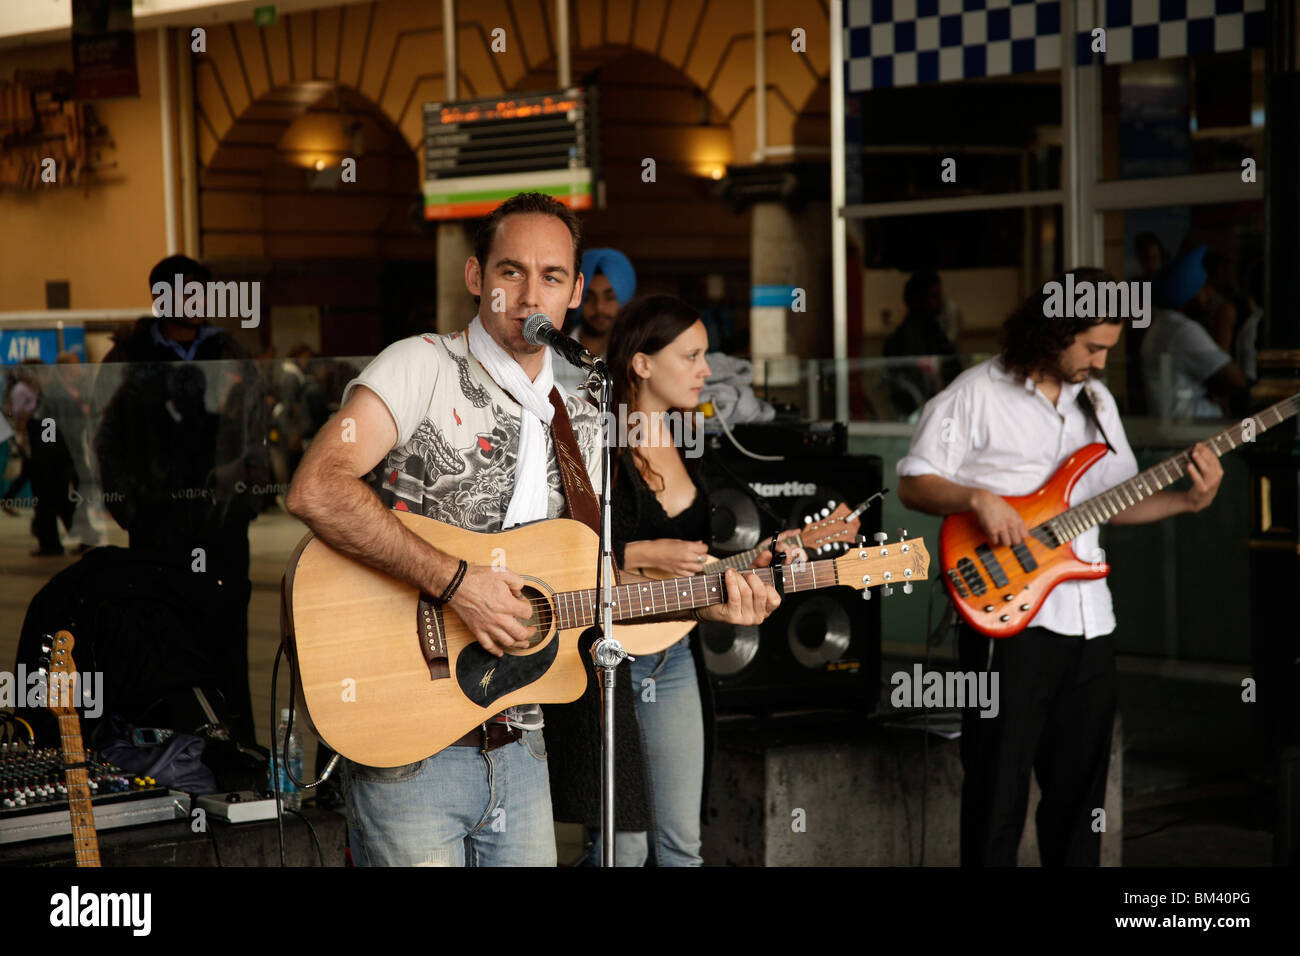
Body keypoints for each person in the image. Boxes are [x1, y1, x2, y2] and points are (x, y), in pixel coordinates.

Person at [284, 193, 776, 867]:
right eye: (510, 272)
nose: (527, 295)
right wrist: (456, 584)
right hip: (411, 743)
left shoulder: (581, 415)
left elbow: (598, 592)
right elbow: (316, 487)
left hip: (522, 745)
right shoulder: (420, 365)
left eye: (550, 277)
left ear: (575, 292)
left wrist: (708, 599)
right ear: (475, 278)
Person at [897, 267, 1225, 866]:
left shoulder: (1096, 403)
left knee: (1080, 800)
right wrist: (976, 497)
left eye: (1108, 350)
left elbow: (1112, 501)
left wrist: (1187, 499)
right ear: (1053, 331)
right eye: (1093, 347)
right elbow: (913, 483)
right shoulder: (975, 393)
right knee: (997, 792)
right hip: (1008, 618)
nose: (1101, 363)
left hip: (1090, 624)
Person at [546, 294, 793, 866]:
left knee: (683, 846)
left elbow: (702, 558)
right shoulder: (596, 438)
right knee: (622, 848)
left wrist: (765, 557)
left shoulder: (690, 440)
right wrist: (642, 549)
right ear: (642, 363)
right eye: (692, 356)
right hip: (609, 653)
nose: (708, 370)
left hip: (674, 651)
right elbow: (559, 546)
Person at [94, 254, 272, 744]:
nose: (198, 303)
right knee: (161, 638)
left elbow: (256, 435)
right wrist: (129, 510)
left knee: (226, 643)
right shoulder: (128, 359)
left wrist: (245, 499)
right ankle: (173, 753)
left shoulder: (230, 354)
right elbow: (104, 441)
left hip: (221, 527)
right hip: (157, 529)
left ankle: (235, 751)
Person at [1140, 246, 1249, 420]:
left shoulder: (1164, 324)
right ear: (1188, 291)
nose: (1209, 294)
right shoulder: (1183, 330)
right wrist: (1224, 326)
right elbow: (1236, 380)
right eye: (1203, 286)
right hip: (1194, 428)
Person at [553, 247, 636, 397]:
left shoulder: (634, 359)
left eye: (609, 297)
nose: (599, 307)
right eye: (589, 297)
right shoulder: (551, 354)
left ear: (624, 299)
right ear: (577, 297)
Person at [883, 270, 961, 418]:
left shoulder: (937, 334)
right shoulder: (901, 340)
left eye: (939, 297)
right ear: (917, 300)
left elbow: (955, 374)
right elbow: (905, 393)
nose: (939, 303)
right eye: (934, 297)